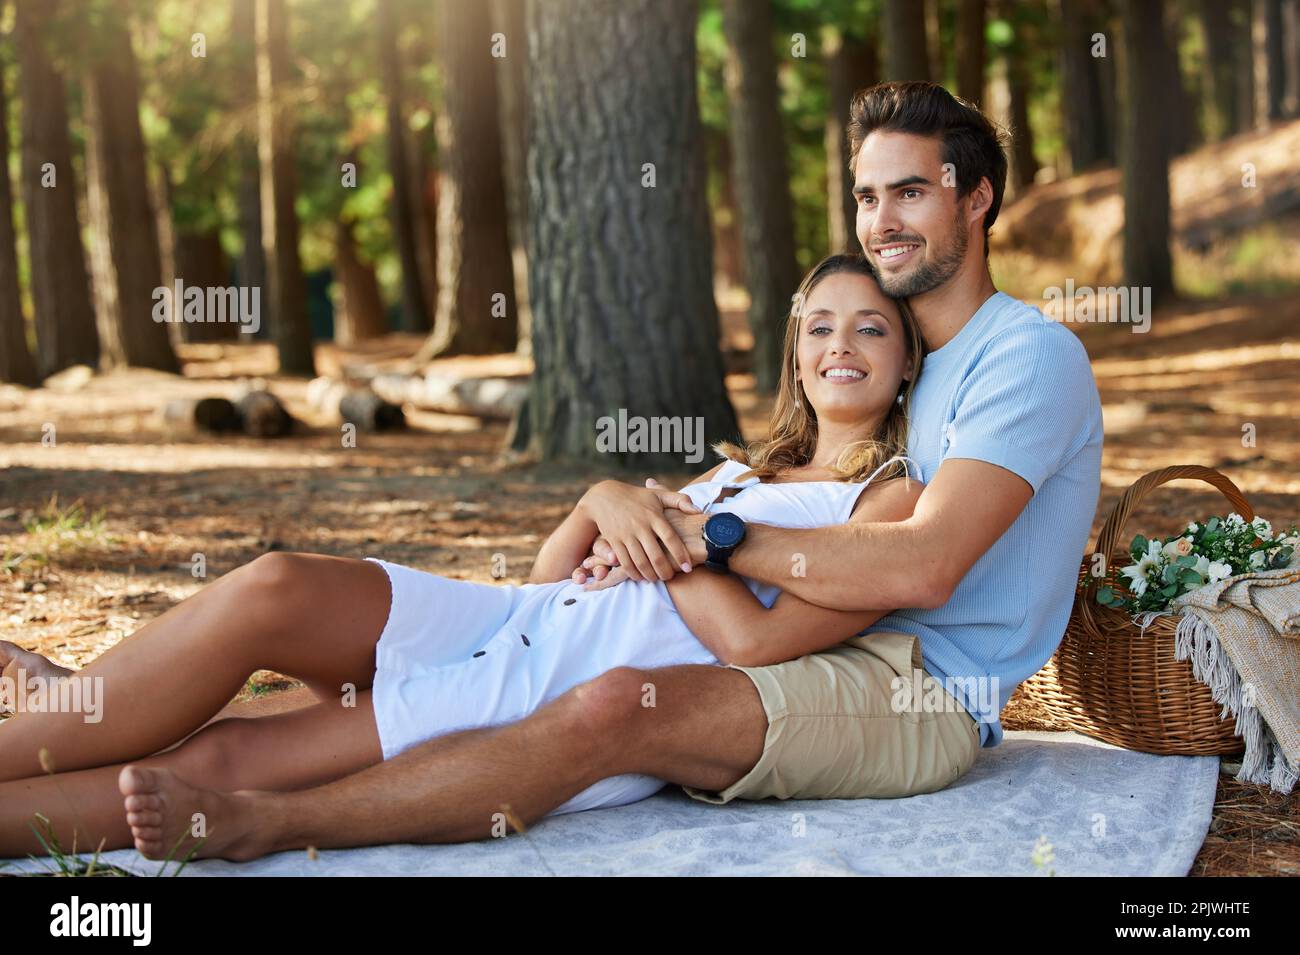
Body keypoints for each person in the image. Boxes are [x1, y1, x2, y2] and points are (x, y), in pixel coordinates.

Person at [0, 252, 941, 860]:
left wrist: (680, 550)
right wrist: (601, 501)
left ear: (906, 362)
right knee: (275, 586)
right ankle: (55, 712)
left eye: (871, 327)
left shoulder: (883, 495)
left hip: (562, 688)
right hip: (515, 623)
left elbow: (754, 650)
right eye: (819, 325)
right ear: (795, 353)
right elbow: (553, 579)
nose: (840, 345)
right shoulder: (742, 469)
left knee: (238, 753)